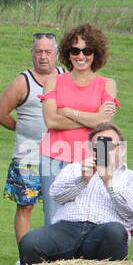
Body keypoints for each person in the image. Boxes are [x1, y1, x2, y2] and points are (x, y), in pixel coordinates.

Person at [18, 123, 133, 265]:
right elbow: (55, 195)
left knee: (114, 231)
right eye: (97, 147)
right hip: (67, 228)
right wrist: (82, 180)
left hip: (104, 232)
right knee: (30, 241)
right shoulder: (75, 168)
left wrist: (109, 182)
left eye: (109, 146)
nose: (103, 151)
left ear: (122, 149)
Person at [39, 24, 118, 225]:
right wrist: (92, 118)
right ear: (68, 53)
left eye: (87, 51)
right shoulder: (53, 82)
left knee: (92, 216)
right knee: (54, 217)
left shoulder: (107, 83)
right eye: (75, 50)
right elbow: (51, 120)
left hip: (95, 156)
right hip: (55, 154)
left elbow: (104, 123)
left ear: (95, 53)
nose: (81, 56)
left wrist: (68, 112)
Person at [0, 32, 60, 243]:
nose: (43, 57)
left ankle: (56, 253)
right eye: (38, 52)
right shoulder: (22, 81)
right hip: (28, 155)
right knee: (26, 204)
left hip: (59, 154)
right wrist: (22, 128)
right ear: (32, 54)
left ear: (56, 54)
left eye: (48, 52)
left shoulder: (65, 77)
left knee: (58, 205)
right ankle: (26, 254)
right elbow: (0, 113)